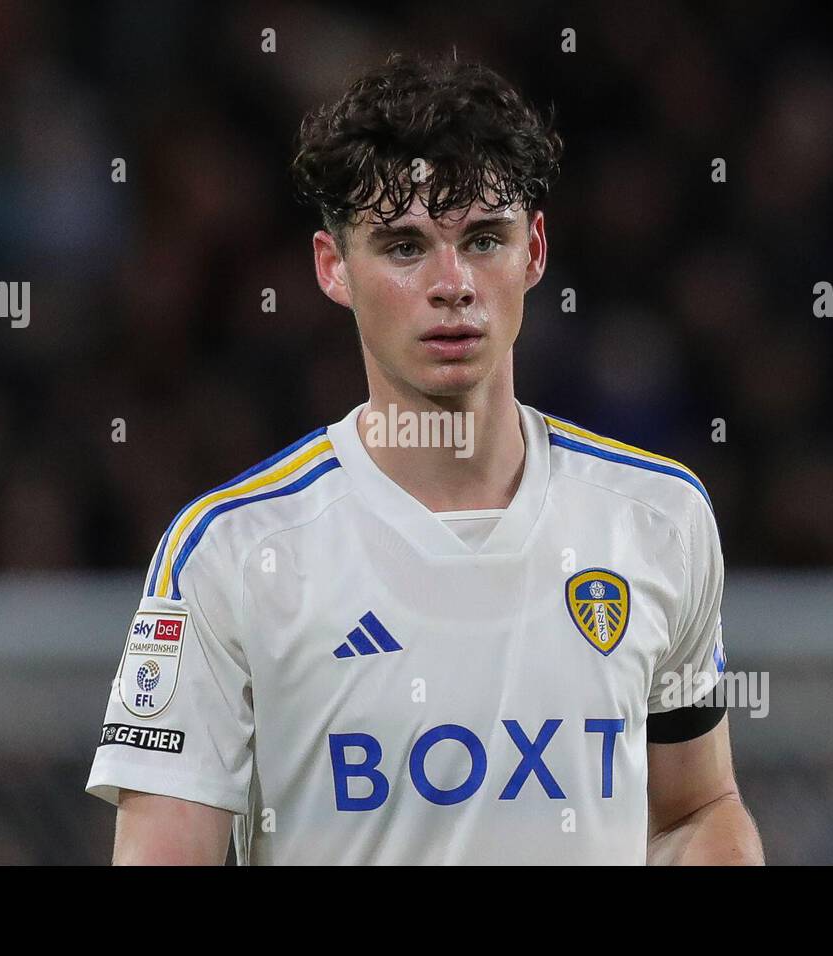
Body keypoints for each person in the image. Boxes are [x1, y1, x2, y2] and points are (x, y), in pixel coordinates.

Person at [86, 51, 764, 865]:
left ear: (535, 251)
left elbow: (693, 810)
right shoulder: (233, 553)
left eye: (483, 239)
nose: (453, 283)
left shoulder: (658, 518)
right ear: (333, 267)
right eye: (404, 247)